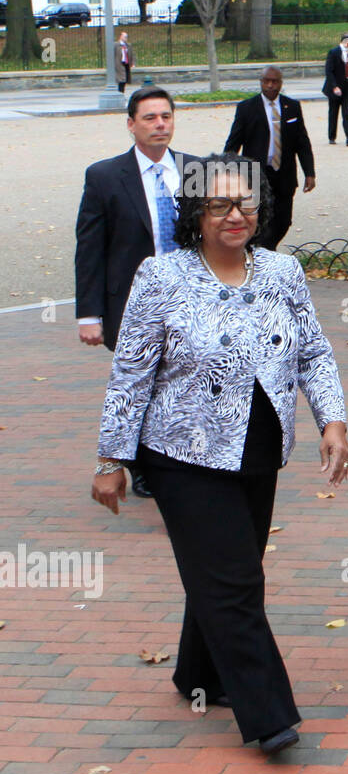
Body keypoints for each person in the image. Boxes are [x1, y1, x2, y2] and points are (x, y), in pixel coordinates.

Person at [91, 154, 348, 754]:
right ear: (195, 214)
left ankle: (198, 674)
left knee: (226, 574)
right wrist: (112, 462)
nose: (236, 215)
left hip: (260, 449)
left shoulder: (283, 272)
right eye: (219, 206)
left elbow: (313, 352)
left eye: (246, 204)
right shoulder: (162, 277)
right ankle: (269, 716)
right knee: (234, 584)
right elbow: (130, 375)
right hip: (181, 455)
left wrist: (331, 420)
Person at [74, 86, 198, 499]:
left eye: (166, 116)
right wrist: (89, 315)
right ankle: (144, 467)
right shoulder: (105, 176)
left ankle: (183, 456)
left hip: (190, 298)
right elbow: (90, 249)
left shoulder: (196, 170)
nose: (160, 124)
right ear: (131, 125)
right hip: (133, 302)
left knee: (183, 381)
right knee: (143, 384)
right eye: (150, 117)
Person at [223, 66, 317, 250]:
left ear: (281, 83)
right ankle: (261, 254)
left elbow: (302, 142)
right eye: (267, 81)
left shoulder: (292, 107)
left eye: (275, 82)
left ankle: (267, 249)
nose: (271, 86)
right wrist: (226, 172)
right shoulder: (246, 108)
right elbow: (233, 143)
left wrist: (310, 173)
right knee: (258, 219)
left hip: (284, 174)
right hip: (256, 175)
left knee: (283, 221)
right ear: (261, 82)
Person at [323, 31, 348, 146]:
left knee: (346, 112)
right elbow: (329, 71)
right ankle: (332, 136)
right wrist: (334, 86)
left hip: (347, 87)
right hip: (336, 86)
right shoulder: (334, 52)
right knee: (333, 112)